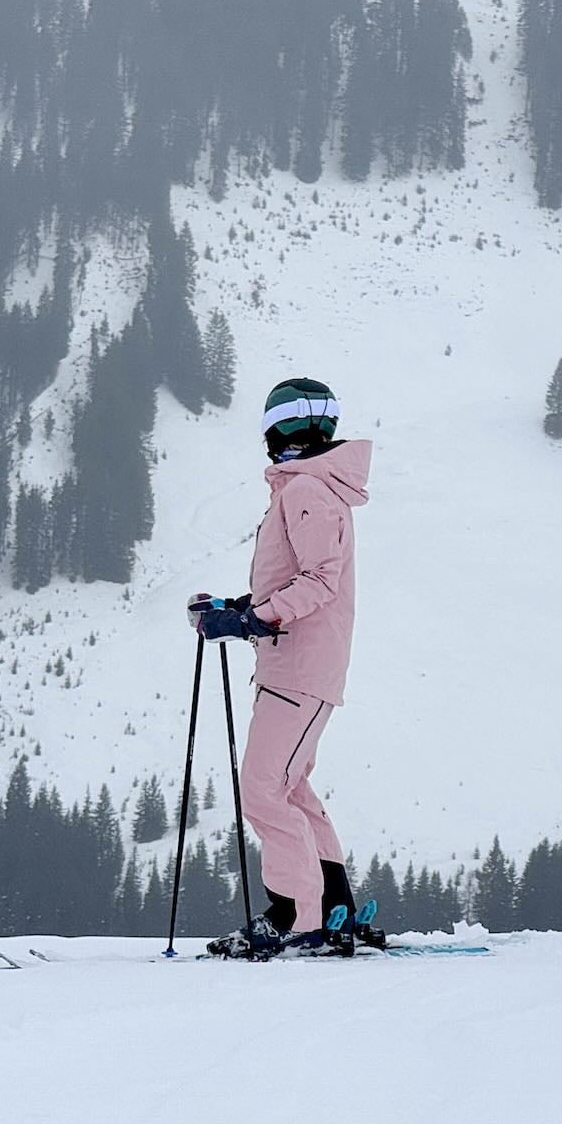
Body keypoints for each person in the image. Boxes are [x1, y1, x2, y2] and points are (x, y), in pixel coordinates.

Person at [194, 377, 374, 958]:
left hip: (298, 668)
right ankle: (332, 906)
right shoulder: (312, 488)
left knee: (264, 791)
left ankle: (298, 915)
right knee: (289, 787)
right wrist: (240, 609)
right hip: (297, 664)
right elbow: (300, 578)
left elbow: (319, 581)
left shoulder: (306, 491)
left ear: (280, 430)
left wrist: (252, 620)